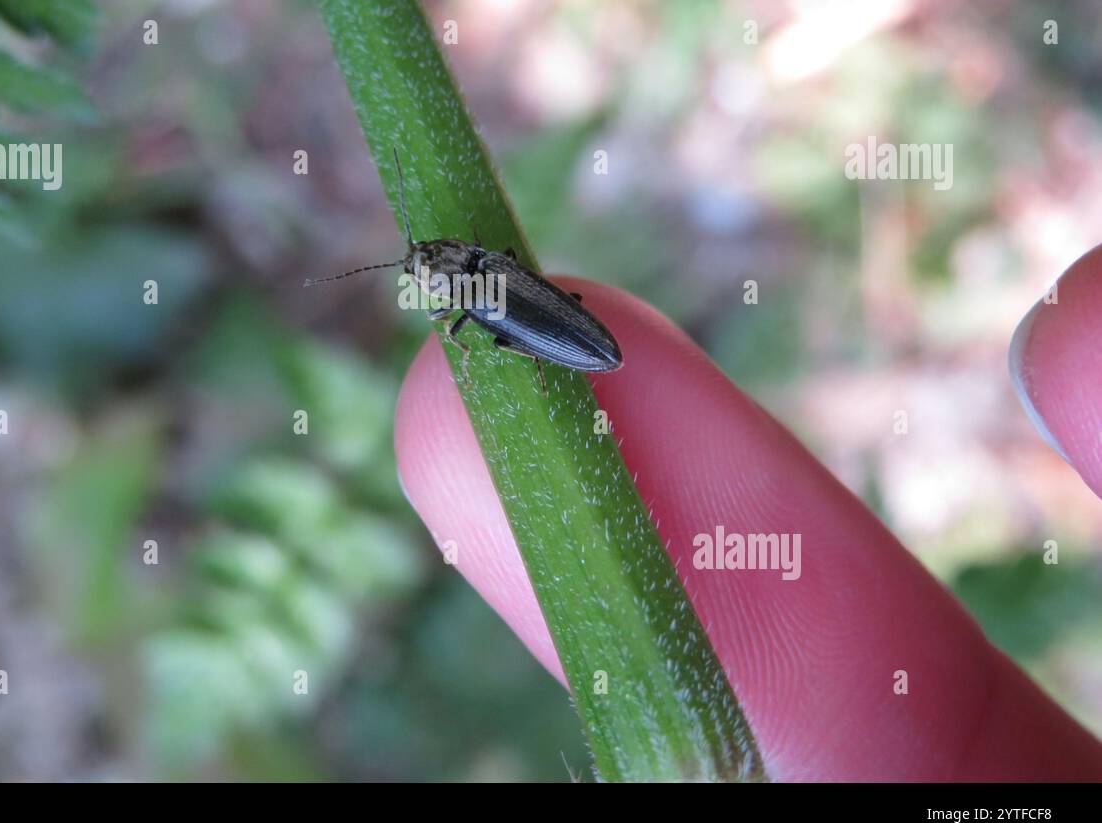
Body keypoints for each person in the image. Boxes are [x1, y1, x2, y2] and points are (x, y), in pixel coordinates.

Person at [395, 246, 1102, 781]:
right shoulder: (485, 266)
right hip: (562, 326)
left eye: (429, 264)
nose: (430, 267)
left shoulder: (472, 288)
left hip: (559, 333)